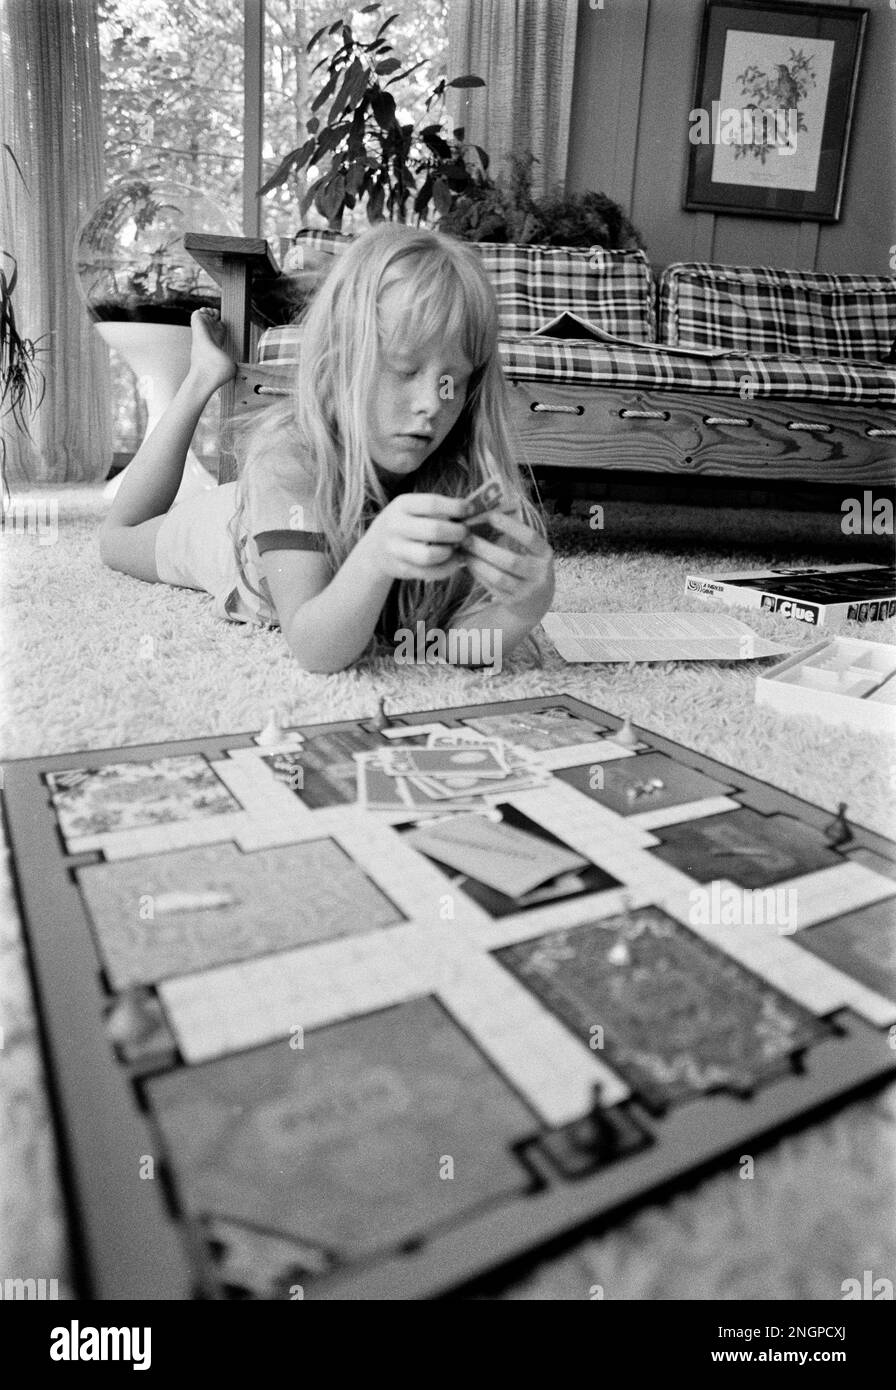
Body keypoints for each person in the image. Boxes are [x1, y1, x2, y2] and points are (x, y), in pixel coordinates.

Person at [99, 223, 555, 673]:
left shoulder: (461, 473)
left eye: (451, 380)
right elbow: (316, 647)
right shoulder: (288, 460)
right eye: (403, 369)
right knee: (117, 539)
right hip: (231, 529)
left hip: (291, 514)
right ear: (339, 363)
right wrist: (374, 556)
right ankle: (203, 377)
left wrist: (523, 608)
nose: (432, 403)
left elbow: (447, 644)